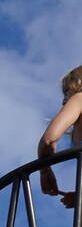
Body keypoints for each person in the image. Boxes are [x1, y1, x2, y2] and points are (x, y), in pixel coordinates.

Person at [38, 66, 82, 210]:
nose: (64, 100)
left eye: (66, 91)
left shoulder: (79, 98)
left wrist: (45, 170)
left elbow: (49, 140)